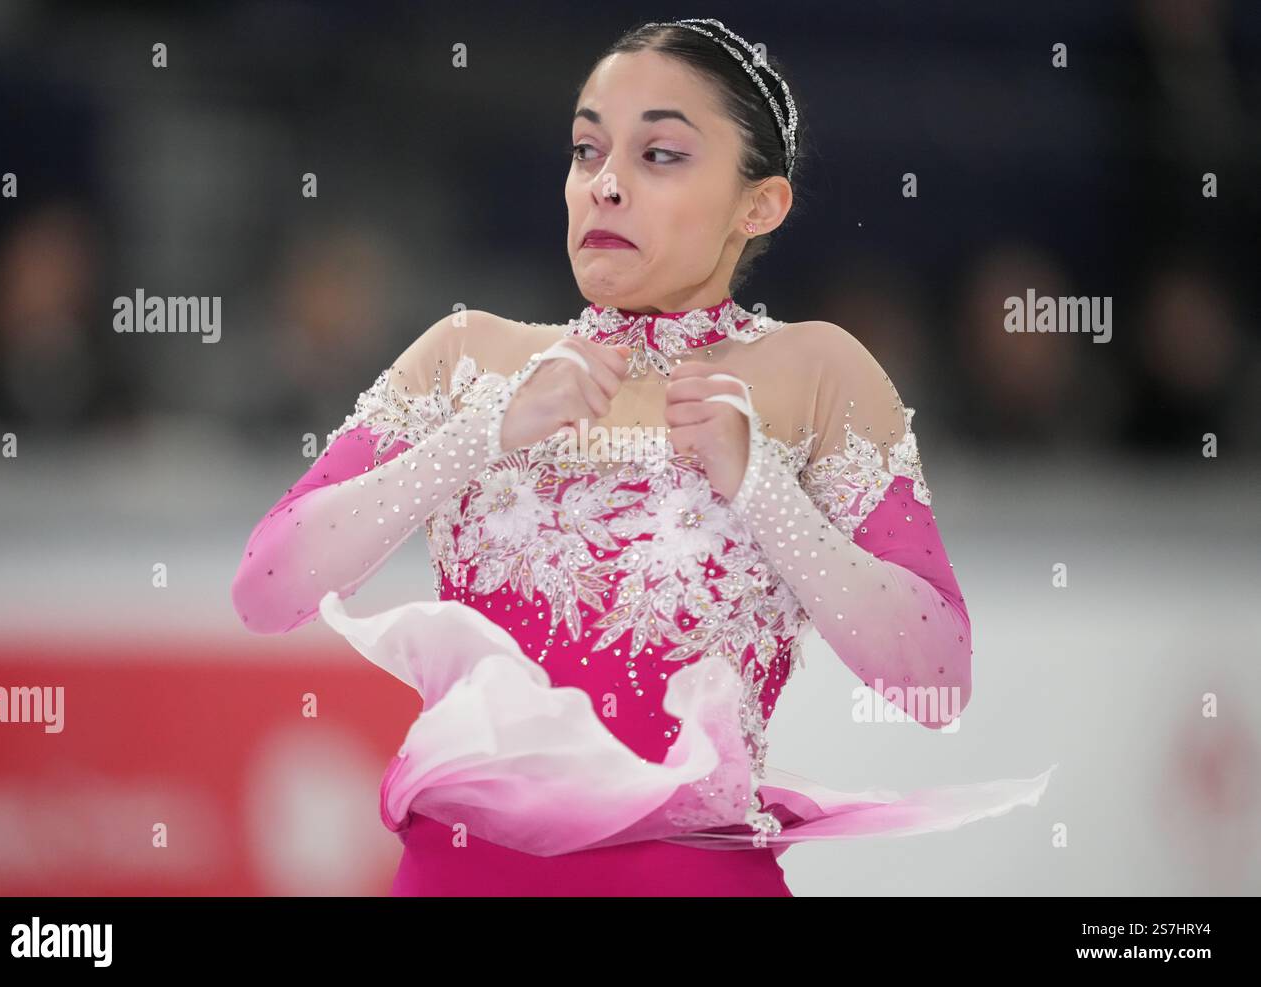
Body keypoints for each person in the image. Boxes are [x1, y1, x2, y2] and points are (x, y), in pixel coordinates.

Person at [231, 18, 1054, 897]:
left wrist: (766, 492)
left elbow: (936, 682)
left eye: (660, 154)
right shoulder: (470, 356)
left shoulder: (816, 374)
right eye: (587, 151)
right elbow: (267, 590)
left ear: (759, 203)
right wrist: (480, 435)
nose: (607, 185)